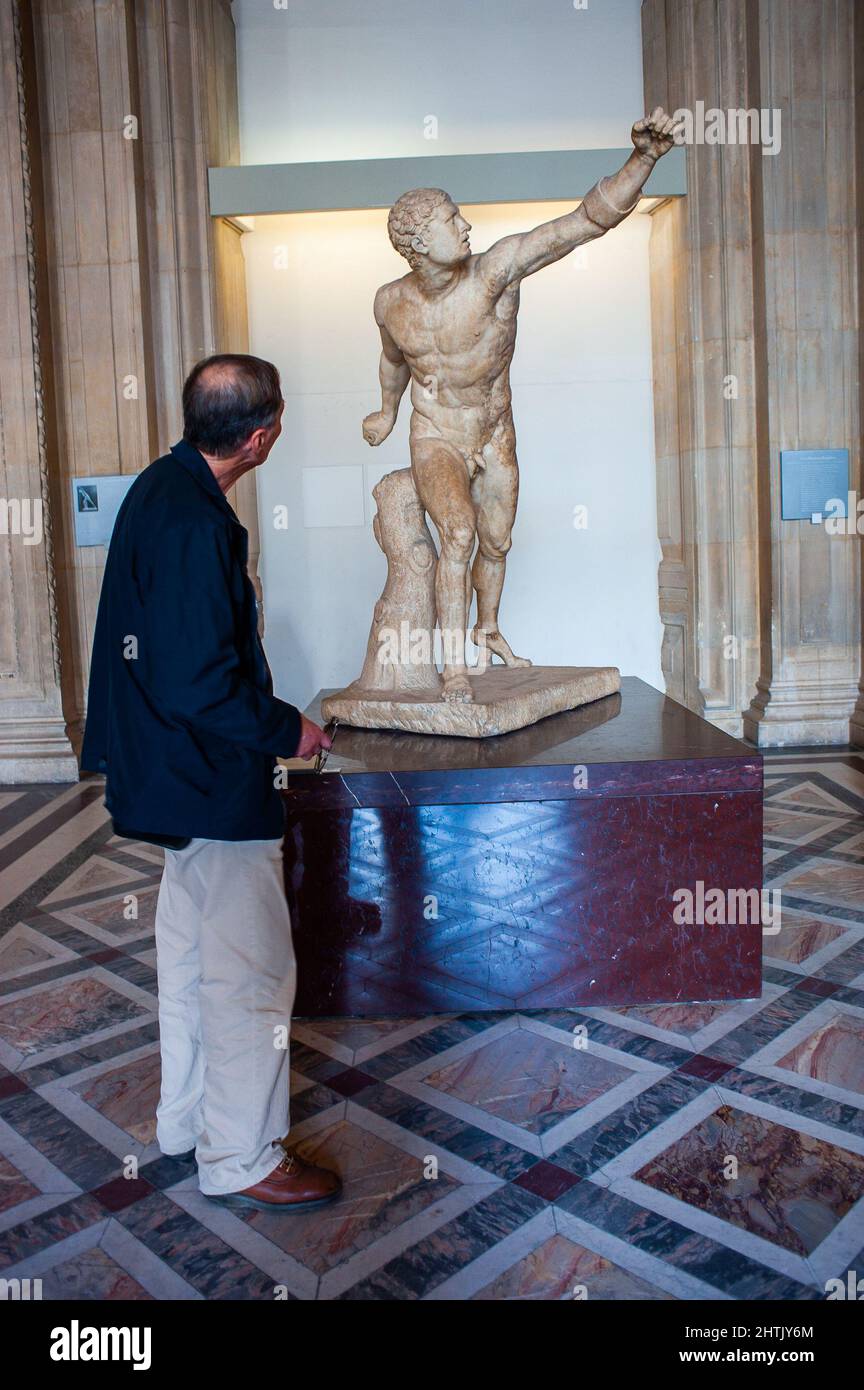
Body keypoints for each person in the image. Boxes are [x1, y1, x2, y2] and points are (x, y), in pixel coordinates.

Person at [80, 354, 340, 1212]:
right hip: (211, 786)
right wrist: (288, 729)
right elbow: (199, 681)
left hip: (167, 778)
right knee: (251, 977)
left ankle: (186, 1124)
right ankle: (241, 1157)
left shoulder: (160, 490)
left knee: (191, 962)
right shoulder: (195, 521)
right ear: (261, 436)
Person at [362, 107, 682, 702]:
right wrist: (386, 411)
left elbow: (584, 222)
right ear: (416, 243)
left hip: (493, 430)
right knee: (456, 534)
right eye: (450, 218)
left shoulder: (497, 270)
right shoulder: (390, 302)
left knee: (496, 540)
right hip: (436, 434)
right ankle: (454, 668)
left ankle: (488, 630)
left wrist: (643, 158)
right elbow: (394, 359)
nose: (465, 225)